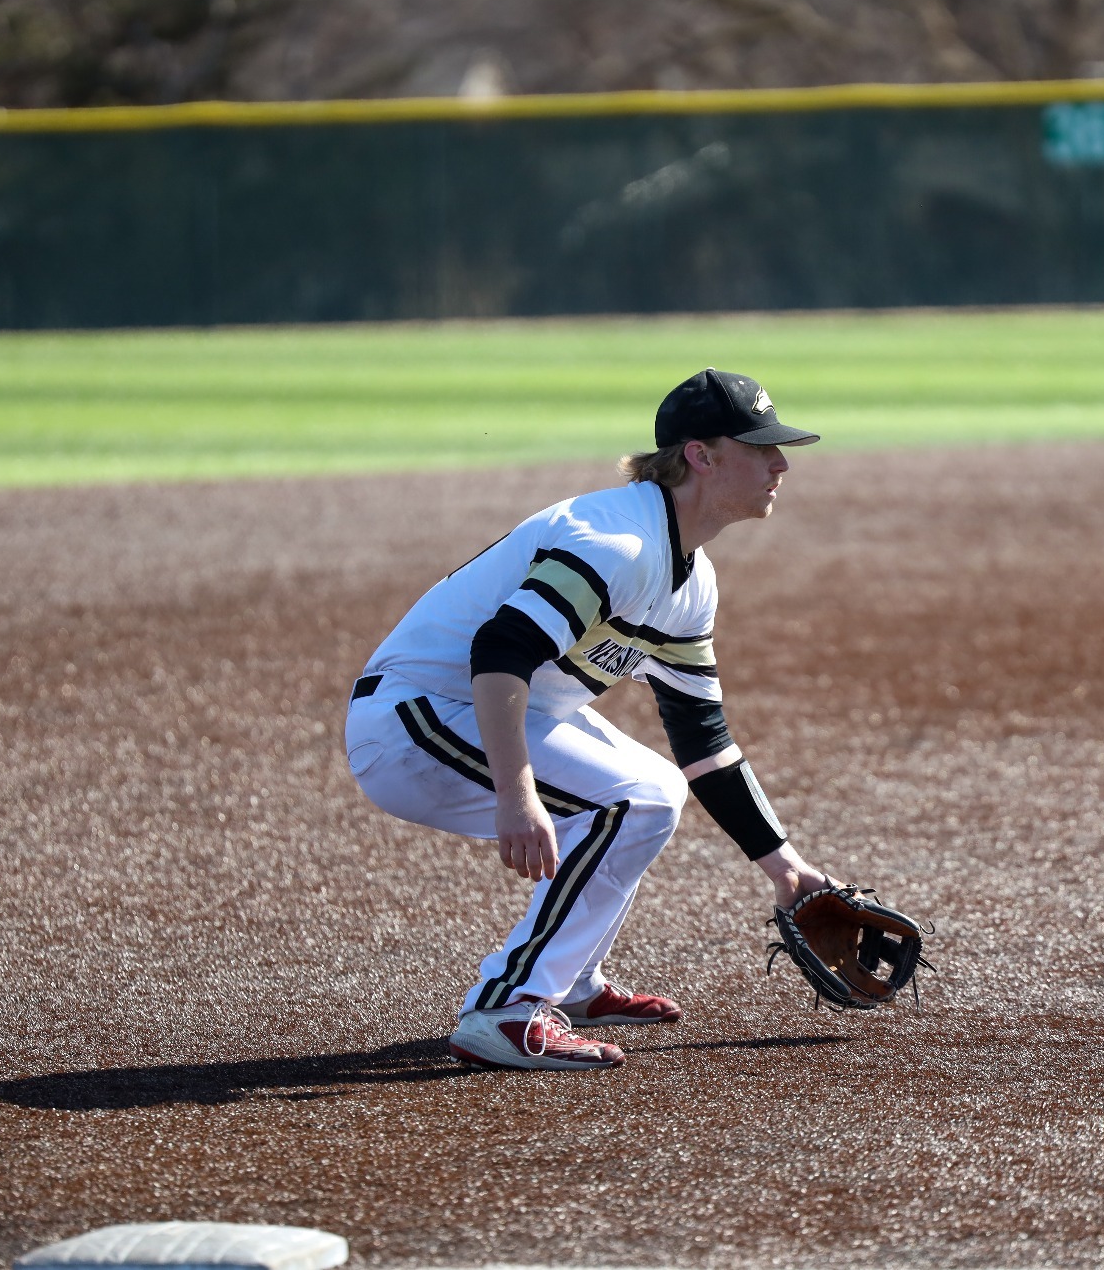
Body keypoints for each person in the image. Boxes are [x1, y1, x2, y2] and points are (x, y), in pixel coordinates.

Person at [344, 367, 838, 1071]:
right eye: (760, 447)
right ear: (700, 455)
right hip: (413, 719)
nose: (780, 463)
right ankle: (506, 1008)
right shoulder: (617, 542)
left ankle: (568, 982)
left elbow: (702, 740)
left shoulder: (690, 578)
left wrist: (785, 870)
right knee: (627, 801)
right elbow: (500, 648)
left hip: (493, 714)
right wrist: (518, 796)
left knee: (655, 790)